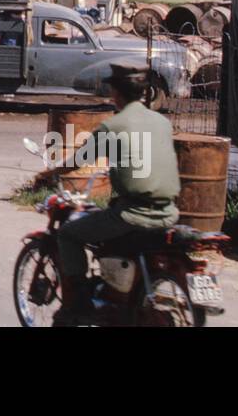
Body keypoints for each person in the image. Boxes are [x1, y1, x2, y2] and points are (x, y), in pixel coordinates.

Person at [53, 59, 181, 326]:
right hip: (169, 212)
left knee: (68, 234)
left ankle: (77, 304)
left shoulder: (113, 126)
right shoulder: (161, 122)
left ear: (116, 93)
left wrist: (52, 171)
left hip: (132, 214)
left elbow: (80, 160)